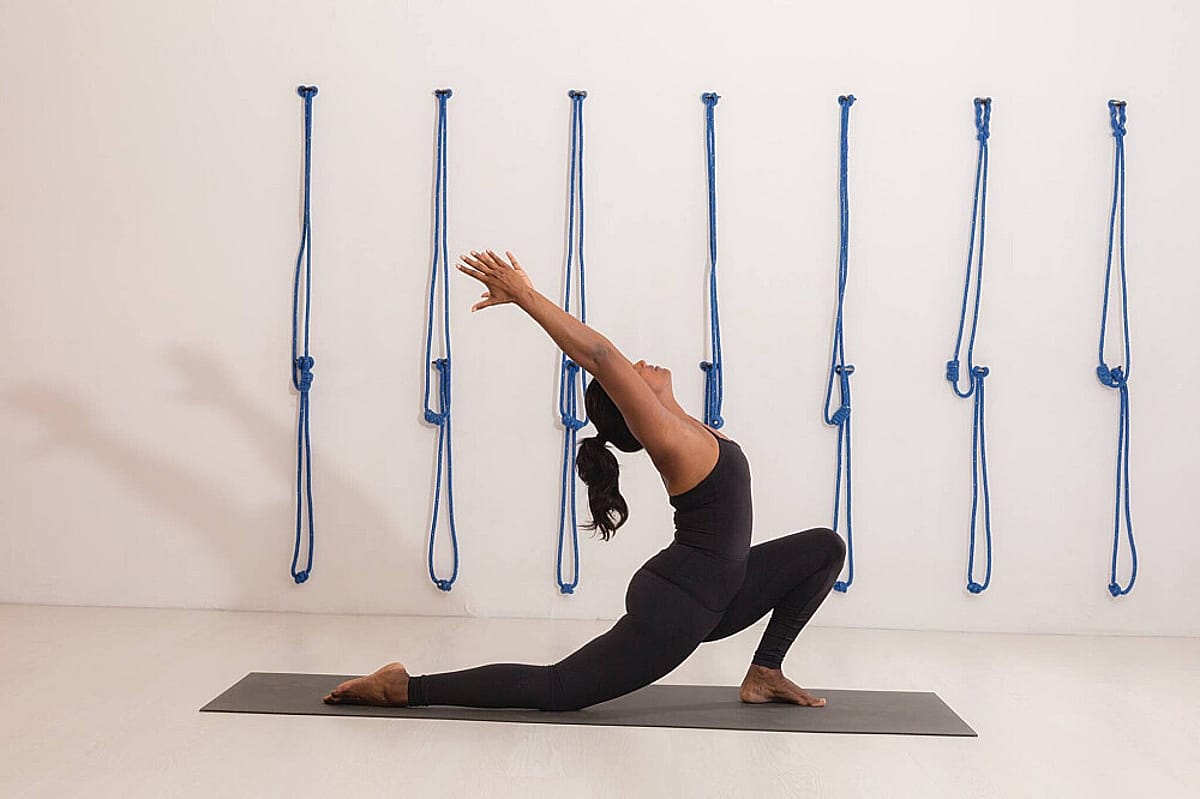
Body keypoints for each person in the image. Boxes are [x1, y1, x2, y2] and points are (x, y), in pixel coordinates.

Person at [324, 249, 845, 711]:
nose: (639, 363)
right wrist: (525, 296)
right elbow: (600, 355)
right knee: (560, 689)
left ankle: (764, 673)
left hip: (720, 591)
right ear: (631, 404)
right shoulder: (669, 439)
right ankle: (403, 688)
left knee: (824, 548)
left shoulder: (687, 426)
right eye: (632, 375)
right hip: (681, 604)